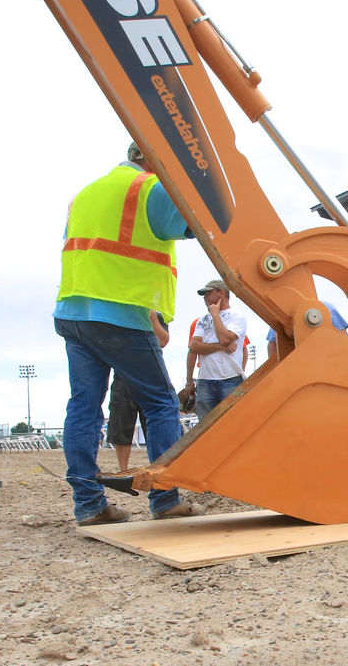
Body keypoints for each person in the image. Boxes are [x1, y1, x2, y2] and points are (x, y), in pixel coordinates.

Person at [54, 142, 205, 525]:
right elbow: (194, 223)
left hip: (73, 310)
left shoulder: (85, 195)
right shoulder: (148, 188)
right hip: (119, 312)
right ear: (153, 160)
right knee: (160, 404)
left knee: (84, 407)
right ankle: (165, 498)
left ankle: (89, 505)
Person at [106, 310, 169, 470]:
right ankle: (123, 469)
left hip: (150, 374)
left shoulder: (156, 315)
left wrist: (152, 317)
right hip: (123, 374)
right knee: (121, 423)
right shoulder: (119, 316)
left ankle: (157, 467)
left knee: (154, 425)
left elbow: (162, 341)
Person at [188, 280, 247, 422]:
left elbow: (226, 339)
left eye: (208, 293)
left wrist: (215, 315)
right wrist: (221, 347)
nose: (205, 297)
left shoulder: (237, 316)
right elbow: (194, 346)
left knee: (232, 423)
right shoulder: (202, 320)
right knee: (205, 427)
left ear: (221, 292)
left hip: (231, 379)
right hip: (205, 380)